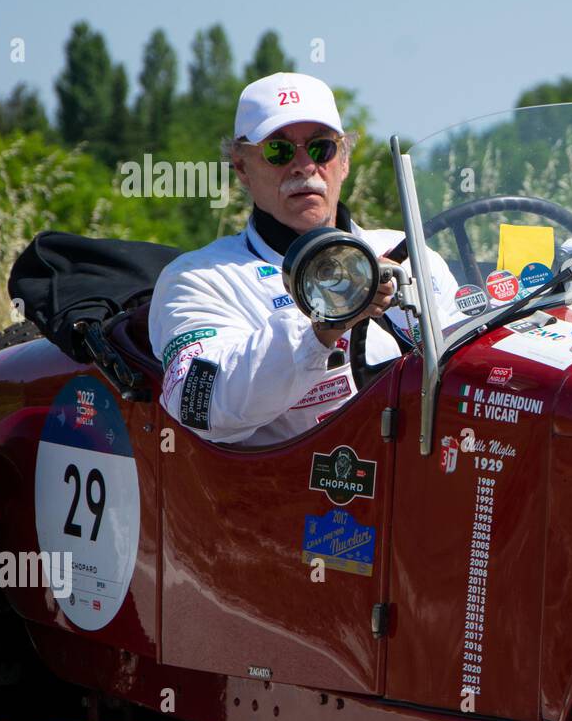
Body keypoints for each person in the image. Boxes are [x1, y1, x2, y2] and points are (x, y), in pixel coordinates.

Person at [149, 72, 460, 446]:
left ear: (343, 161)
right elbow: (205, 409)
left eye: (320, 148)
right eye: (278, 150)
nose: (303, 165)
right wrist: (323, 322)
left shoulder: (410, 254)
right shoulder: (198, 278)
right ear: (242, 167)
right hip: (303, 494)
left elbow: (471, 363)